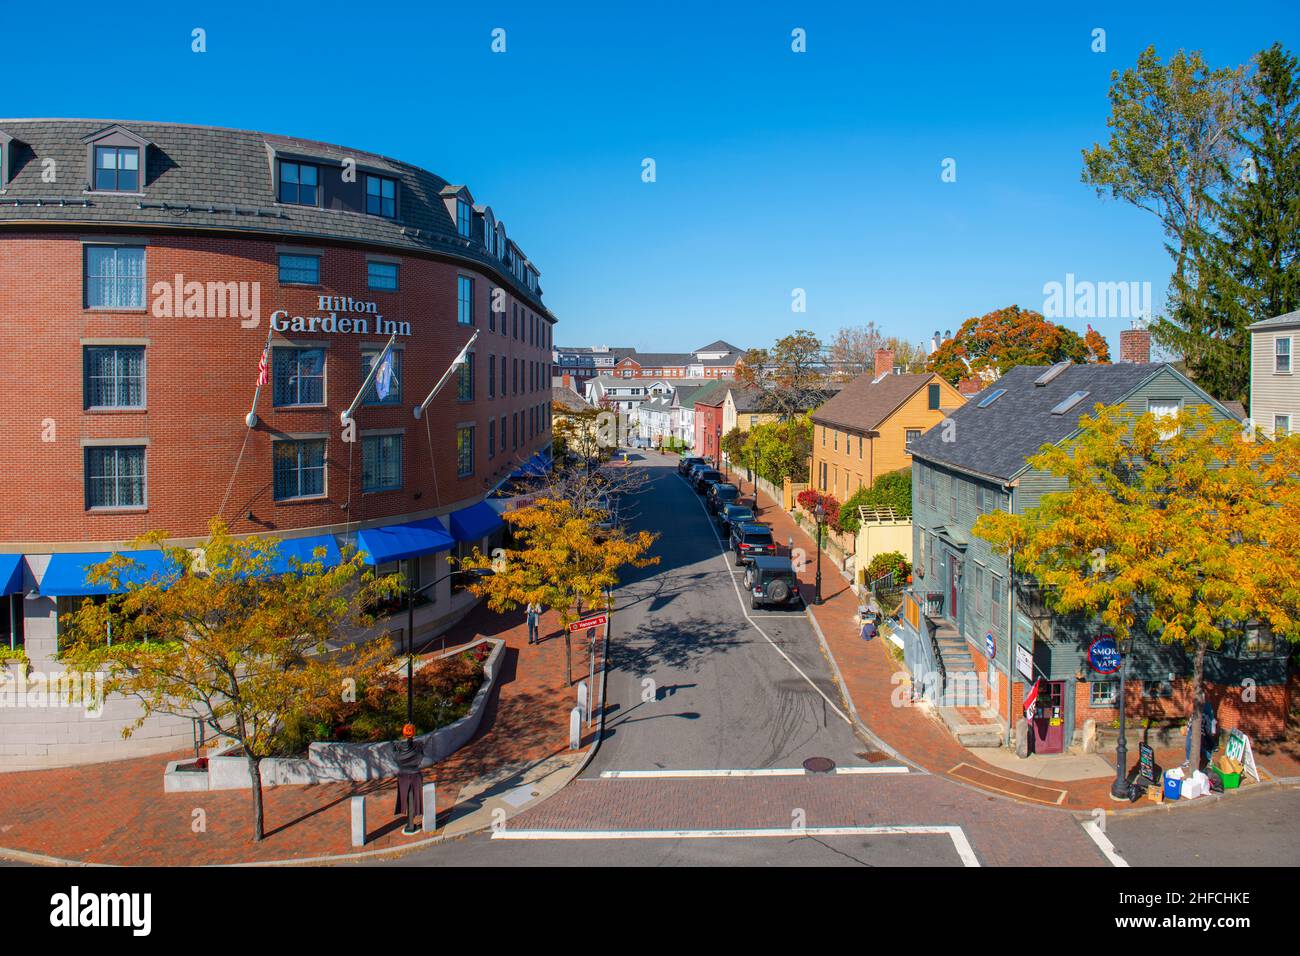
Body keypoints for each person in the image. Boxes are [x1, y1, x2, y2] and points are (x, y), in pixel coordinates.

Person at [393, 723, 425, 835]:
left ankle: (410, 822)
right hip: (414, 774)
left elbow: (396, 757)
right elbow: (420, 756)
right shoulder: (418, 745)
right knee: (413, 798)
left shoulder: (398, 746)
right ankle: (411, 822)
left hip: (403, 775)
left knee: (409, 798)